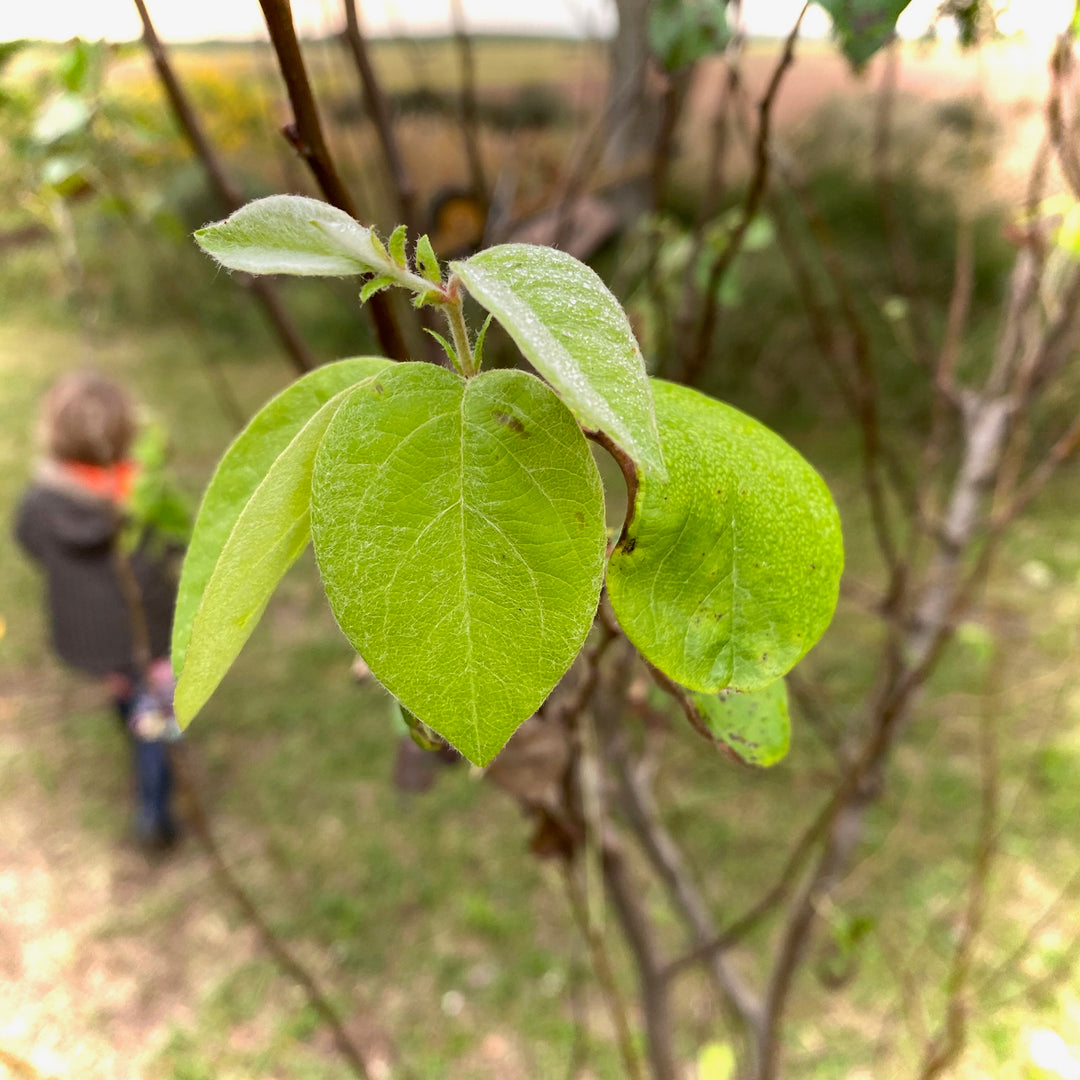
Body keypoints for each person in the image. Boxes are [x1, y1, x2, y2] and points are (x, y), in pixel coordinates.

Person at [14, 372, 182, 849]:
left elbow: (28, 542)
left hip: (94, 637)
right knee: (156, 719)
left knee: (130, 695)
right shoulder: (142, 496)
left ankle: (134, 723)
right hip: (148, 636)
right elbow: (172, 547)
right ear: (129, 430)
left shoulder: (41, 503)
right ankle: (155, 812)